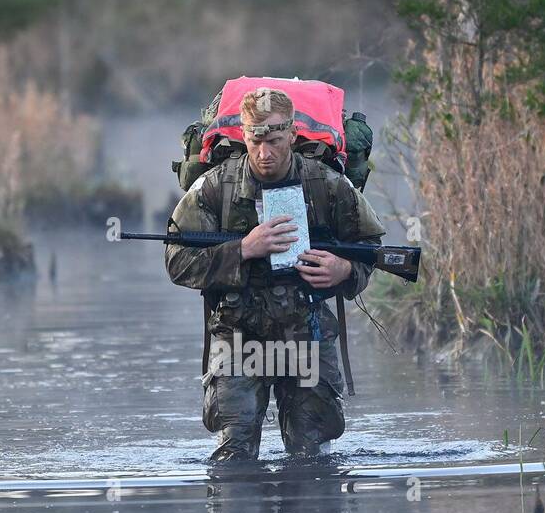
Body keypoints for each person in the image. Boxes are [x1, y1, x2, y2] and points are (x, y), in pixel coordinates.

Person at [165, 86, 386, 461]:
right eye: (256, 141)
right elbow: (176, 261)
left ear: (294, 136)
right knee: (234, 457)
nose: (265, 153)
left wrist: (343, 270)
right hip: (239, 337)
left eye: (275, 141)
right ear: (244, 137)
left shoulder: (328, 185)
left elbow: (372, 250)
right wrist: (242, 250)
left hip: (307, 334)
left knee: (311, 453)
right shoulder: (215, 186)